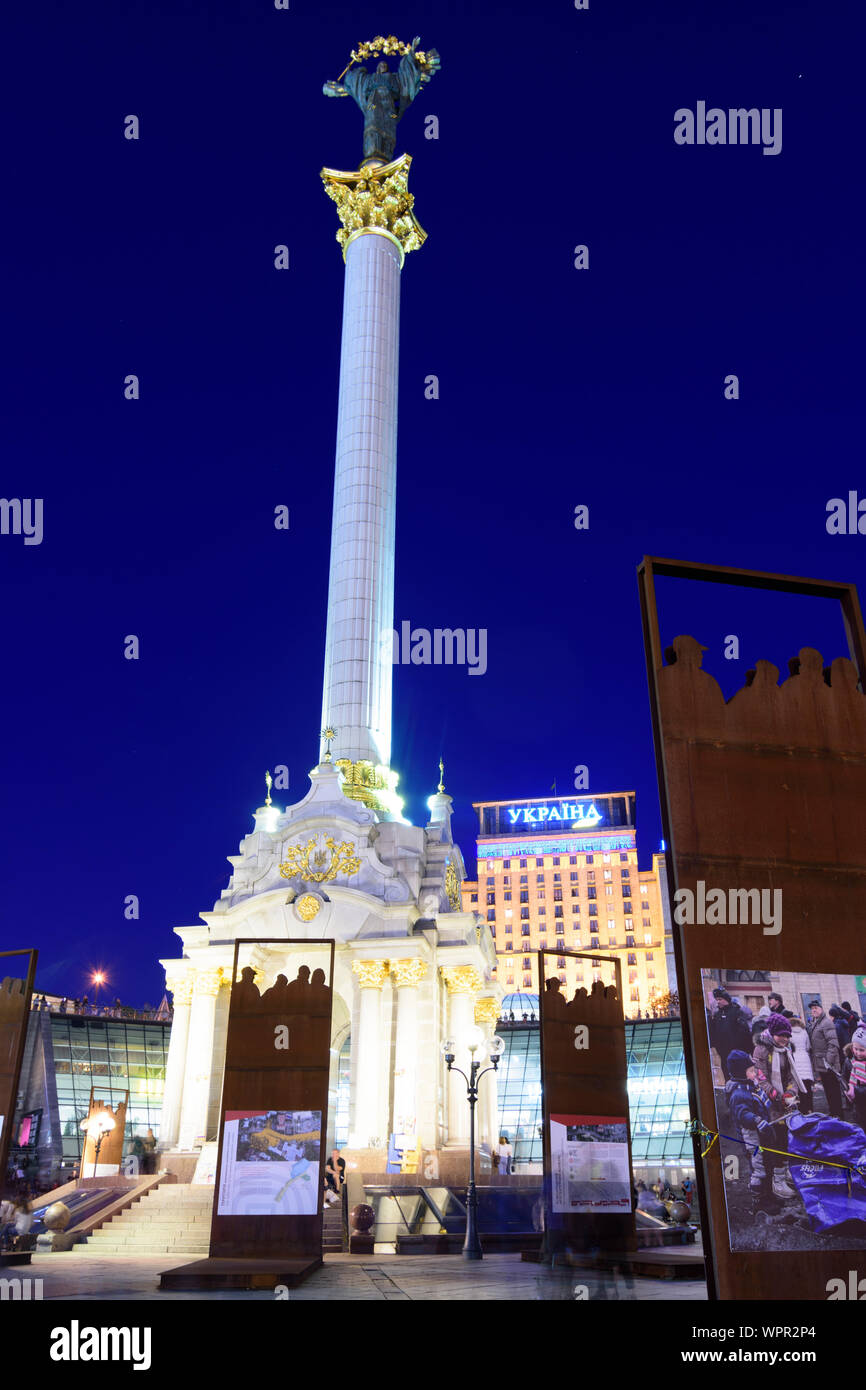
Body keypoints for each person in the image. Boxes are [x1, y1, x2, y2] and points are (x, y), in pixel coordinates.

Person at [725, 1050, 794, 1210]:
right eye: (750, 1070)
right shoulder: (739, 1094)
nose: (754, 1072)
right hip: (752, 1139)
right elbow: (743, 1114)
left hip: (763, 1133)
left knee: (768, 1164)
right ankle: (760, 1202)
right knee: (759, 1169)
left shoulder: (751, 1087)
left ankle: (769, 1196)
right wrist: (756, 1120)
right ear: (740, 1073)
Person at [807, 1001, 845, 1119]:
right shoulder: (816, 1023)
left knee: (833, 1090)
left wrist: (828, 1061)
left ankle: (838, 1114)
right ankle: (833, 1112)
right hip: (822, 1064)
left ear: (821, 1009)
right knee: (828, 1090)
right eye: (812, 1009)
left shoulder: (826, 1023)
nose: (813, 1010)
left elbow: (833, 1044)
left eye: (816, 1008)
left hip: (829, 1064)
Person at [708, 988, 753, 1080]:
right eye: (716, 1000)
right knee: (727, 1076)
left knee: (740, 1076)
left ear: (726, 999)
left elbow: (744, 1032)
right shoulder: (717, 1015)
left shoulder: (737, 1012)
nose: (718, 1002)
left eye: (720, 999)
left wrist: (743, 1049)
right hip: (724, 1054)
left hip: (737, 1053)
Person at [783, 1010, 815, 1113]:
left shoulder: (788, 1032)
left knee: (798, 1087)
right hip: (805, 1059)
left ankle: (802, 1110)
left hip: (795, 1059)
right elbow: (808, 1046)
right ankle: (810, 1109)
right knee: (807, 1087)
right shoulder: (804, 1031)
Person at [846, 1026, 866, 1130]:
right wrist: (850, 1088)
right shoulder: (853, 1061)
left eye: (861, 1050)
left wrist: (856, 1090)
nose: (858, 1053)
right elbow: (851, 1078)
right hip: (859, 1104)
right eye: (855, 1049)